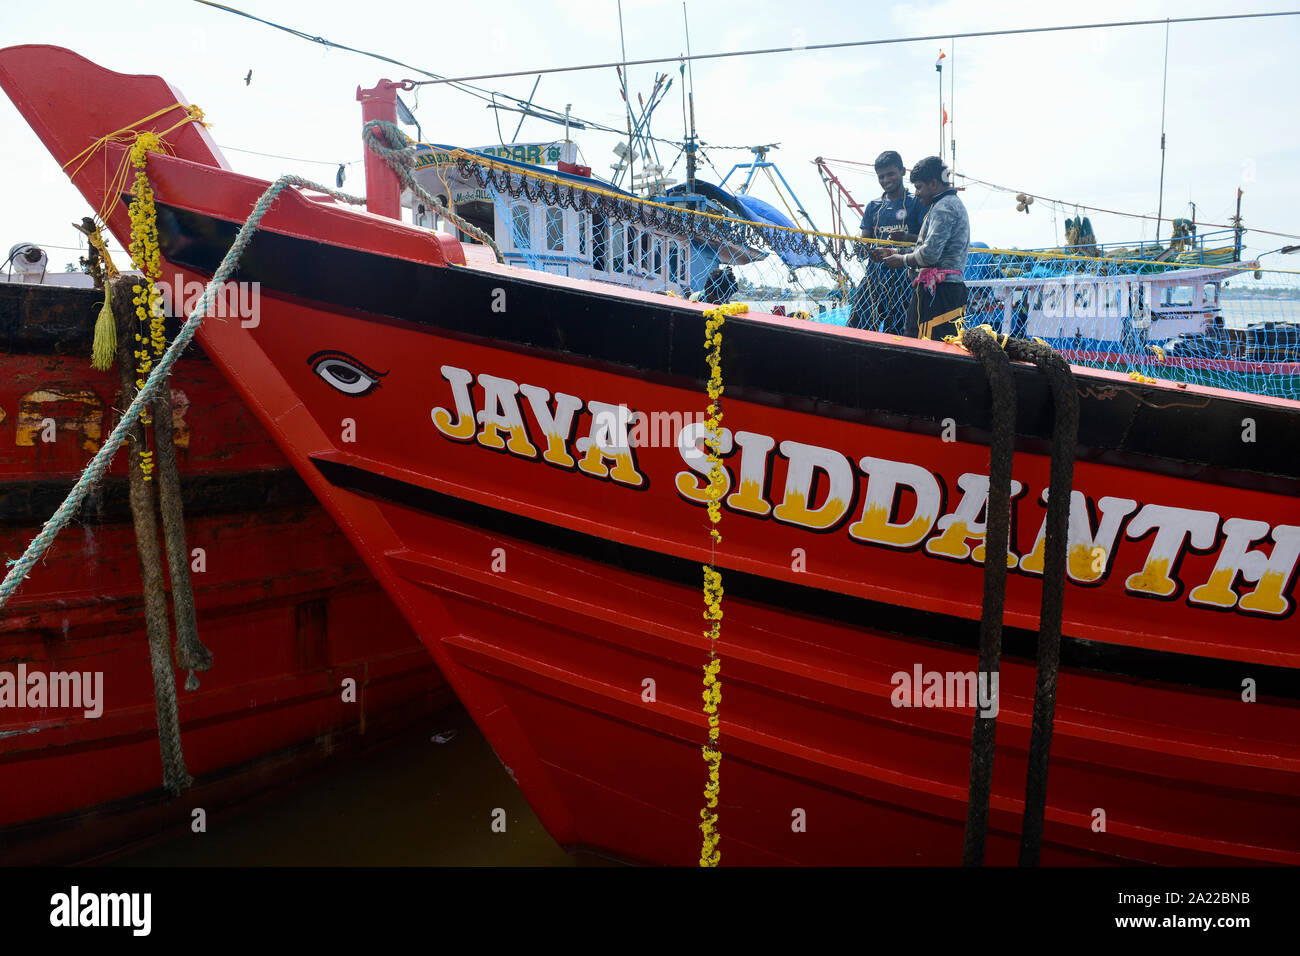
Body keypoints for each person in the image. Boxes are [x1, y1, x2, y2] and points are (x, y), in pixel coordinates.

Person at [881, 155, 970, 341]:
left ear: (934, 184)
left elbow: (929, 254)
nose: (916, 193)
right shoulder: (947, 204)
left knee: (926, 344)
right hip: (940, 290)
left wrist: (902, 260)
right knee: (921, 340)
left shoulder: (943, 208)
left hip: (939, 292)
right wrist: (892, 252)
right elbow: (927, 248)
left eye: (919, 187)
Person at [849, 151, 924, 333]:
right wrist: (862, 249)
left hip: (906, 279)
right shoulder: (873, 206)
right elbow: (864, 242)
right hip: (875, 278)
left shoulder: (917, 203)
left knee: (898, 332)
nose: (885, 179)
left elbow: (927, 240)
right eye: (881, 176)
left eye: (890, 174)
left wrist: (905, 238)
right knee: (857, 327)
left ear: (902, 172)